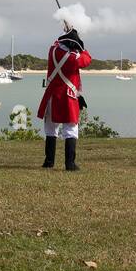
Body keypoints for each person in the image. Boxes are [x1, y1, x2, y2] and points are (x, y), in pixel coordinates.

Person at [38, 27, 91, 171]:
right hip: (68, 97)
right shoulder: (75, 58)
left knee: (50, 130)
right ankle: (70, 164)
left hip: (51, 95)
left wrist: (67, 32)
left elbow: (57, 42)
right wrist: (80, 45)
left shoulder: (52, 50)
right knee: (71, 130)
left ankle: (49, 162)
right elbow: (87, 58)